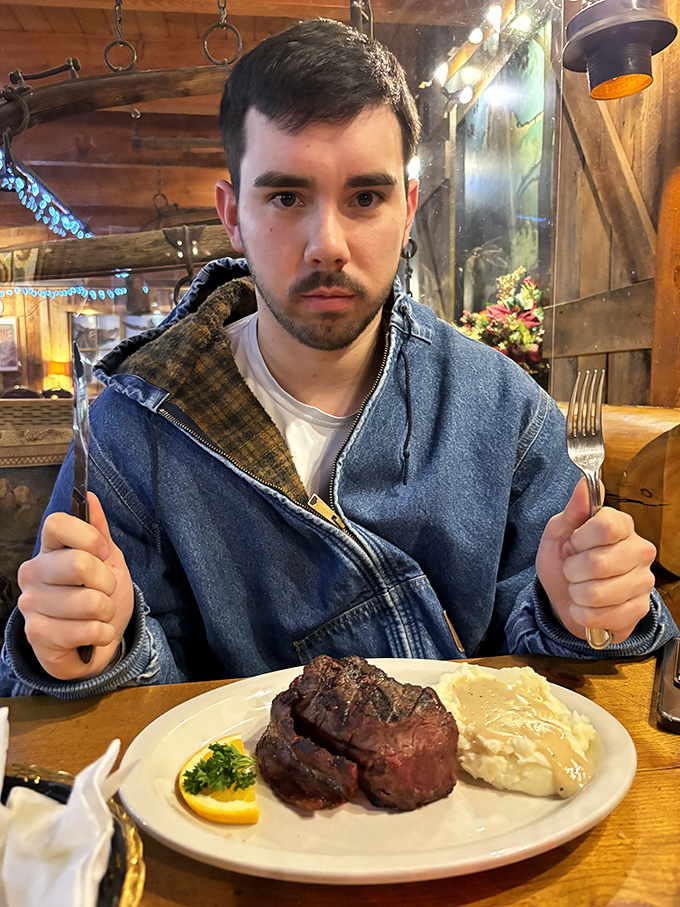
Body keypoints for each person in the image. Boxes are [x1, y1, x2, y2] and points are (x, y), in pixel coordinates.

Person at [0, 19, 675, 698]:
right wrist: (92, 648)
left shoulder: (503, 406)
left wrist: (583, 606)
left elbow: (576, 658)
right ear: (232, 215)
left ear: (407, 210)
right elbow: (62, 695)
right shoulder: (132, 429)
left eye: (365, 197)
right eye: (287, 197)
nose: (327, 243)